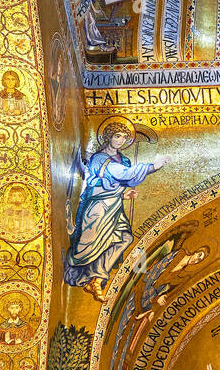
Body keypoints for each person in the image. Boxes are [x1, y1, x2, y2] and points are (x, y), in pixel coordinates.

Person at [64, 122, 166, 300]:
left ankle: (97, 279)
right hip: (97, 206)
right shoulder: (99, 159)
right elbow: (121, 175)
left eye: (124, 137)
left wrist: (123, 195)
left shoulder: (124, 160)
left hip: (114, 207)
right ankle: (86, 274)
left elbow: (119, 182)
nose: (121, 140)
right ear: (108, 137)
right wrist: (152, 167)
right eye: (117, 136)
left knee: (125, 237)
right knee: (90, 245)